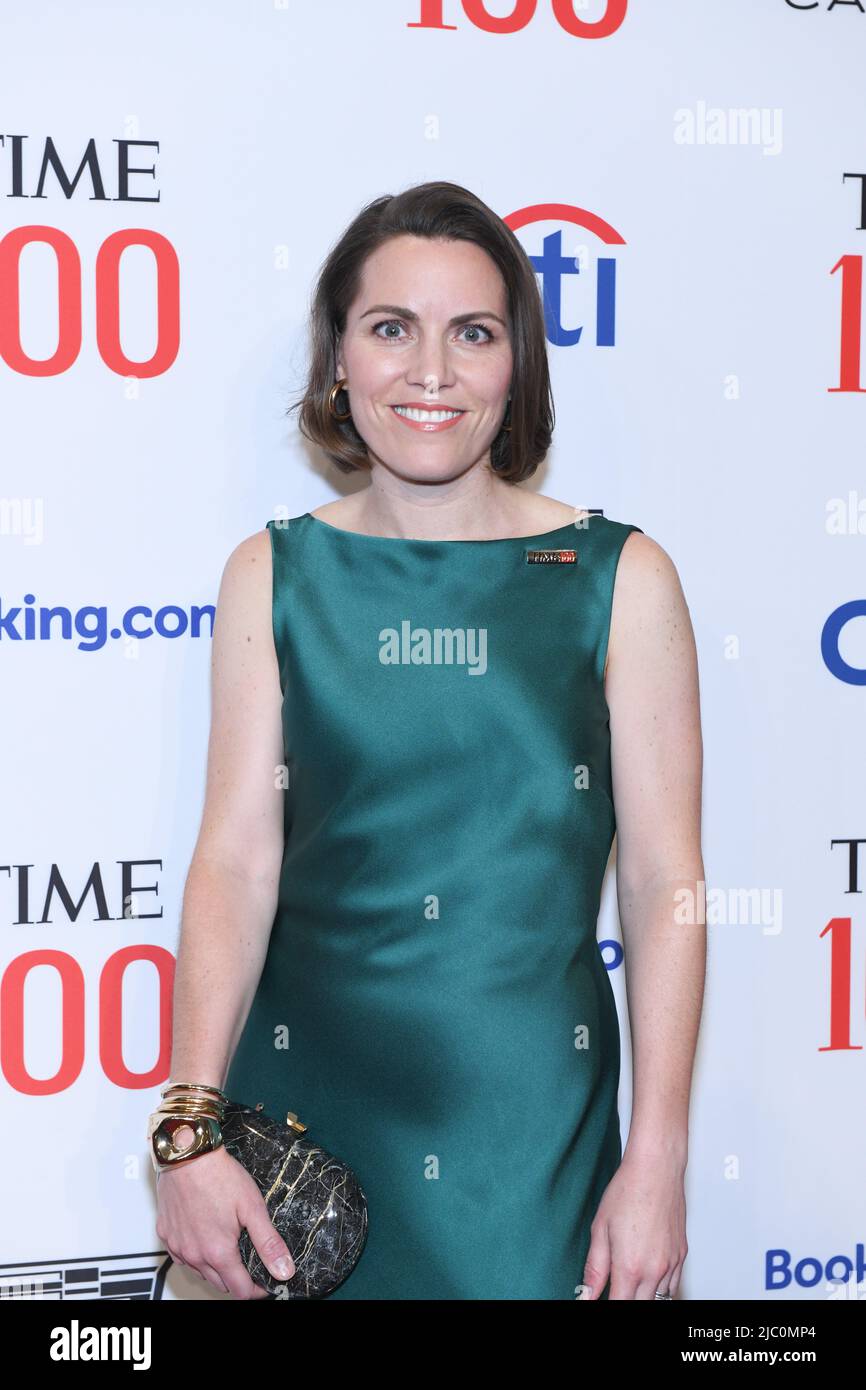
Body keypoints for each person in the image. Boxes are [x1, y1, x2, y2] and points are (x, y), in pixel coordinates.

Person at [152, 180, 706, 1301]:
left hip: (531, 1148)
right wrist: (187, 1131)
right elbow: (236, 861)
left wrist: (657, 1161)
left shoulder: (615, 579)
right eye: (392, 328)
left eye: (474, 333)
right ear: (338, 358)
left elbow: (664, 885)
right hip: (300, 1140)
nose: (432, 372)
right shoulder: (273, 574)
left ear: (517, 363)